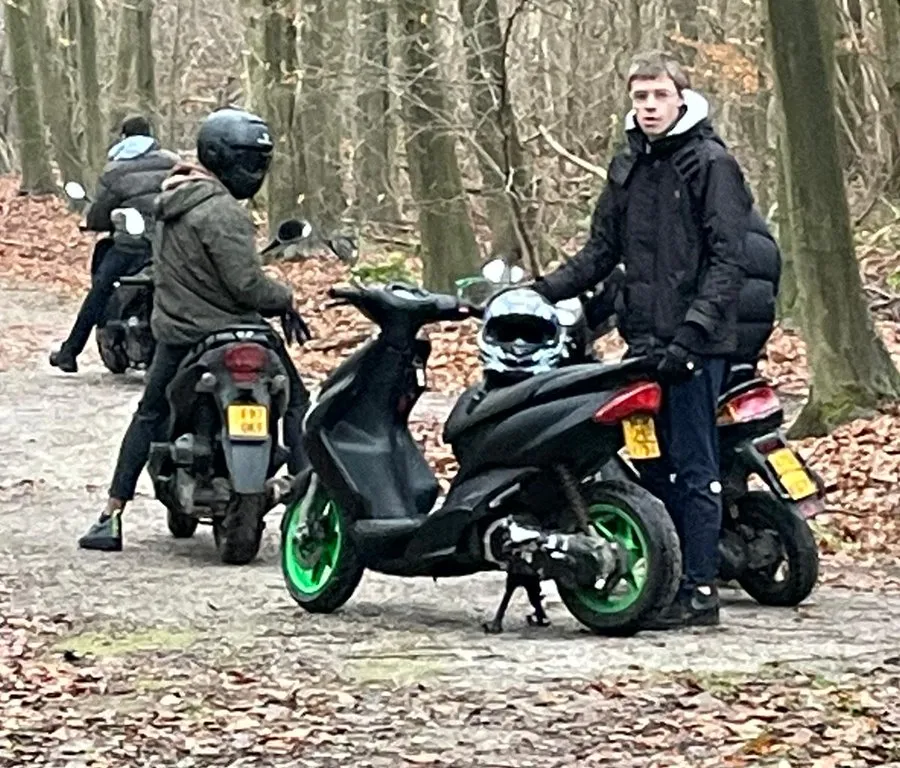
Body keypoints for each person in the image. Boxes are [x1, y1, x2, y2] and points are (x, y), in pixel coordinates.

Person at [532, 51, 754, 628]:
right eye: (640, 97)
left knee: (695, 466)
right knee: (649, 464)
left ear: (681, 98)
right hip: (644, 346)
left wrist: (693, 334)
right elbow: (601, 251)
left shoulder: (711, 164)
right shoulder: (628, 166)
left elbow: (729, 261)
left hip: (695, 348)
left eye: (659, 95)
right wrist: (540, 293)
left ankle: (699, 591)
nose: (650, 106)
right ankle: (665, 578)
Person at [78, 107, 312, 552]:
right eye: (248, 160)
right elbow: (247, 285)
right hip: (238, 331)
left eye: (258, 161)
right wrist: (284, 297)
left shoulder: (172, 200)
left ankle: (111, 514)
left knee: (150, 413)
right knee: (296, 402)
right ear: (222, 157)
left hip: (180, 335)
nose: (254, 170)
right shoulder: (222, 212)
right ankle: (307, 505)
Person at [50, 116, 178, 373]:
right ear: (151, 136)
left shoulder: (115, 170)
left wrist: (93, 222)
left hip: (132, 246)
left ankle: (70, 352)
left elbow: (100, 213)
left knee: (101, 288)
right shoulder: (173, 163)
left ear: (123, 137)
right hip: (172, 245)